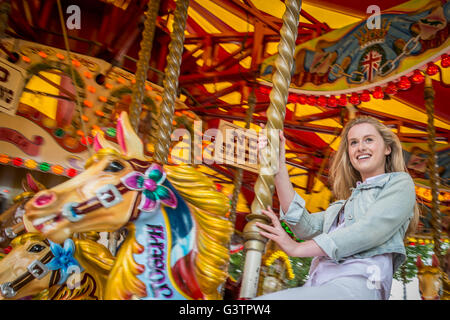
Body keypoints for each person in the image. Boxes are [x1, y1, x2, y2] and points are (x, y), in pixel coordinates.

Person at [255, 116, 419, 300]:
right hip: (322, 282)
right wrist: (279, 167)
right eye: (354, 142)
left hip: (359, 281)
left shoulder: (399, 183)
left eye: (369, 139)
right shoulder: (341, 208)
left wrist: (296, 249)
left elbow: (369, 230)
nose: (361, 147)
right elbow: (304, 226)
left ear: (387, 148)